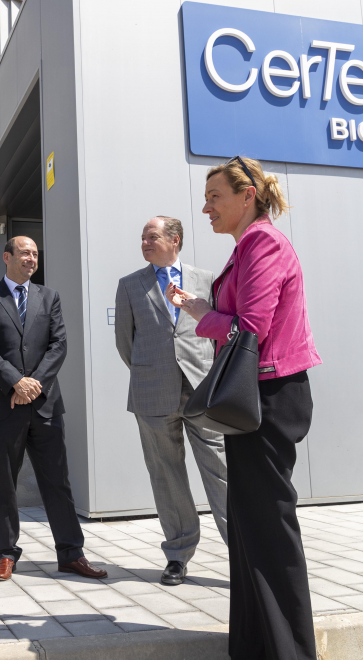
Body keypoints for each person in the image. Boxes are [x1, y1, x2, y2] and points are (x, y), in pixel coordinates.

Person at [166, 157, 321, 660]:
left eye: (215, 196)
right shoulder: (247, 247)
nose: (205, 207)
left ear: (246, 195)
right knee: (251, 522)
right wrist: (197, 308)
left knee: (268, 525)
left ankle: (288, 650)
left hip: (269, 397)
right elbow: (238, 320)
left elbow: (248, 328)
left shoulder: (263, 244)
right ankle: (258, 643)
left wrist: (204, 316)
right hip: (255, 396)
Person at [0, 236, 107, 582]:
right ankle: (6, 554)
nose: (31, 258)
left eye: (35, 254)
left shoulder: (49, 297)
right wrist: (15, 381)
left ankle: (71, 554)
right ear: (7, 257)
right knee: (3, 483)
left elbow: (58, 344)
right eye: (25, 253)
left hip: (43, 405)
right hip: (0, 405)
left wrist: (33, 385)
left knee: (57, 481)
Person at [114, 216, 228, 587]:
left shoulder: (207, 280)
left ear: (174, 240)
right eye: (142, 238)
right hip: (153, 393)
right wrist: (154, 370)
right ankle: (178, 554)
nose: (144, 243)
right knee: (166, 474)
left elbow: (217, 334)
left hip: (202, 391)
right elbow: (125, 344)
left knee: (223, 473)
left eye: (152, 237)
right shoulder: (130, 286)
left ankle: (243, 551)